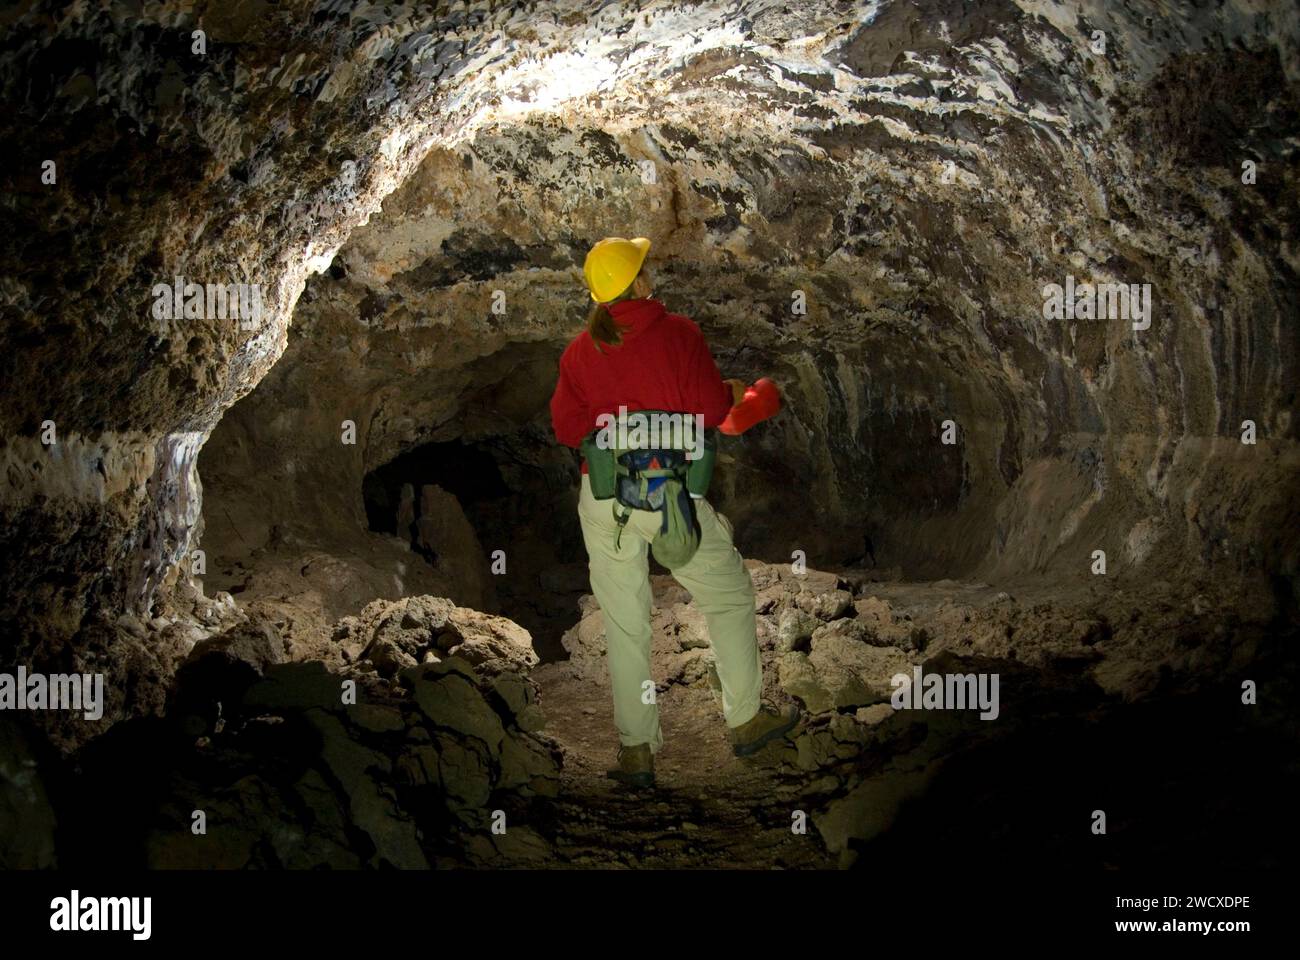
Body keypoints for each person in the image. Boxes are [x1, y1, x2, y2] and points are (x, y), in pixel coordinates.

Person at [549, 236, 800, 788]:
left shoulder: (578, 352)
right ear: (639, 283)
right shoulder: (678, 333)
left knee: (624, 622)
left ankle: (637, 751)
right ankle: (746, 720)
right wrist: (745, 395)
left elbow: (568, 429)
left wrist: (613, 417)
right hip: (668, 493)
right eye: (644, 268)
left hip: (607, 497)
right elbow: (714, 412)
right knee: (729, 594)